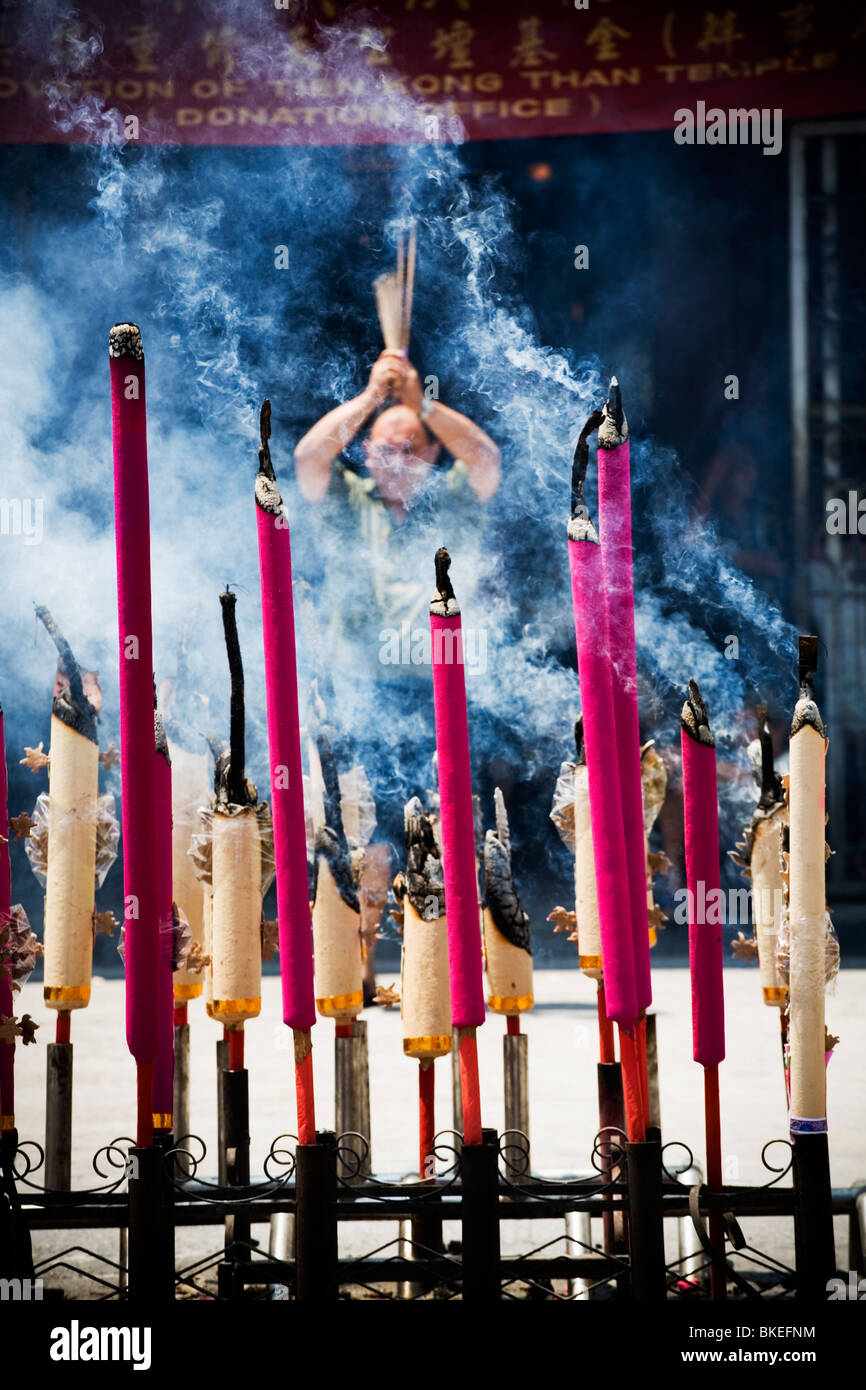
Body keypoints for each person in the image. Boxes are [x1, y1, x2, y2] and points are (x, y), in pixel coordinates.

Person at [294, 350, 501, 1002]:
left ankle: (442, 960)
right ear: (367, 450)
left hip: (436, 688)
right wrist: (371, 397)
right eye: (385, 446)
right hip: (360, 690)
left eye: (411, 447)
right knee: (370, 829)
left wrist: (424, 401)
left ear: (431, 456)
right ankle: (364, 967)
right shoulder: (347, 502)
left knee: (446, 821)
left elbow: (488, 460)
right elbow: (306, 458)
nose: (397, 458)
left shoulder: (452, 505)